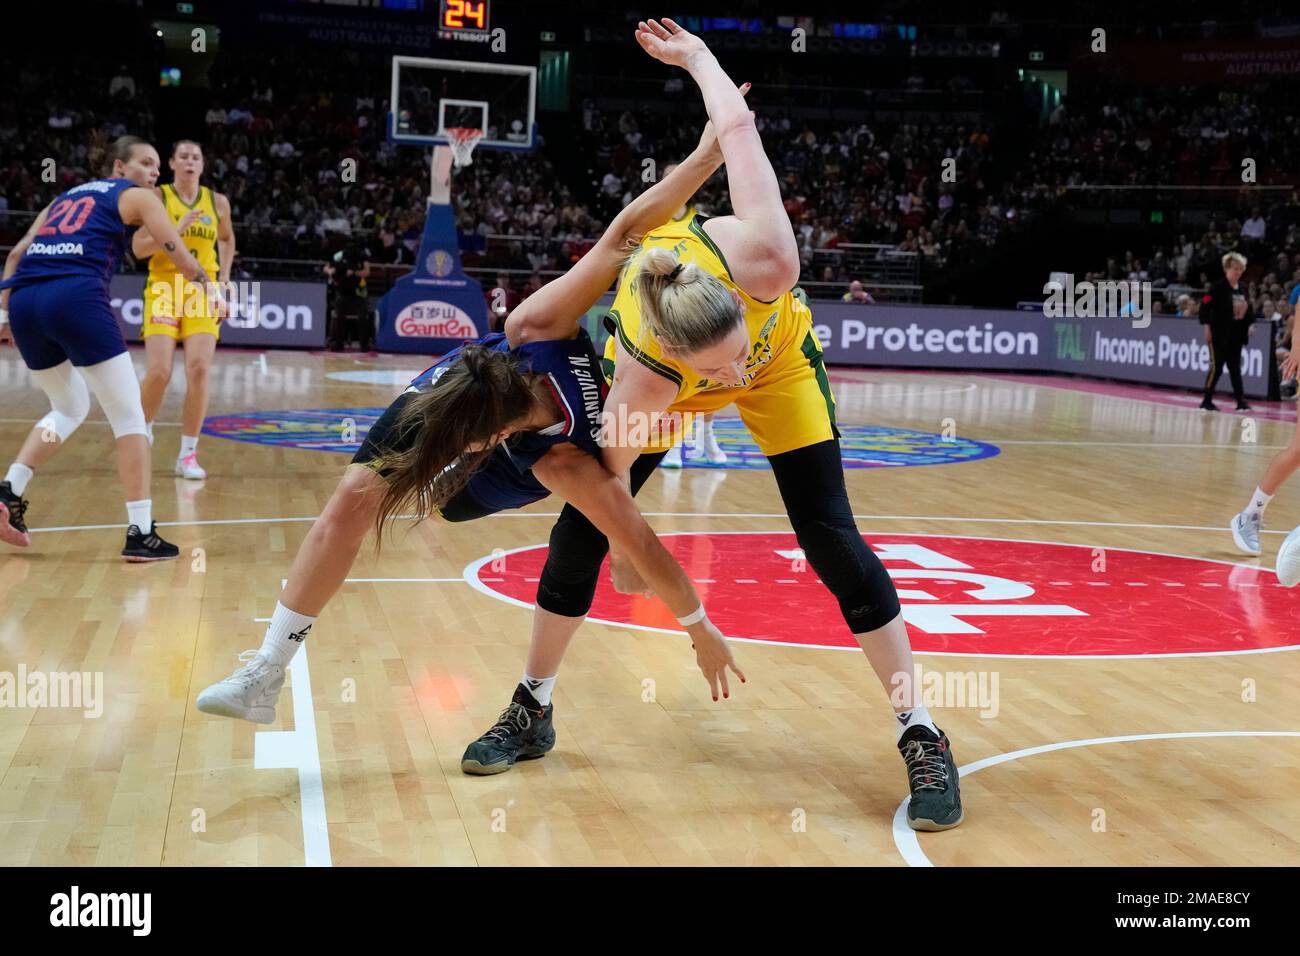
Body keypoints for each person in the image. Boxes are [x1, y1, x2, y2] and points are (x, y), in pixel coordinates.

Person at [467, 20, 963, 833]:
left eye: (732, 350)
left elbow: (736, 130)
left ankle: (920, 729)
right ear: (673, 352)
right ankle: (533, 705)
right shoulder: (646, 375)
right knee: (579, 535)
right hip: (670, 392)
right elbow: (607, 483)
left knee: (833, 540)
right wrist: (633, 553)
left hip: (787, 364)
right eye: (717, 366)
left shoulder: (769, 262)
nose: (729, 375)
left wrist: (698, 57)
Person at [194, 118, 746, 755]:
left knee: (457, 507)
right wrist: (706, 153)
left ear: (501, 434)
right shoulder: (534, 323)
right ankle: (266, 670)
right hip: (456, 386)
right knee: (353, 499)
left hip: (503, 466)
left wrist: (699, 627)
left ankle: (454, 495)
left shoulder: (562, 462)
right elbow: (623, 235)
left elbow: (645, 545)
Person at [0, 135, 216, 560]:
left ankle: (9, 491)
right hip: (75, 296)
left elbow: (17, 254)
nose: (154, 173)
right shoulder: (136, 196)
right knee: (131, 416)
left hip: (26, 299)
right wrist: (212, 290)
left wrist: (4, 315)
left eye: (157, 166)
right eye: (147, 164)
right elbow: (176, 250)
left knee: (68, 406)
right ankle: (140, 531)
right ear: (120, 168)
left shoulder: (64, 197)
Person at [132, 140, 235, 480]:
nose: (190, 162)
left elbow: (226, 238)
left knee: (199, 369)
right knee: (159, 372)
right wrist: (176, 229)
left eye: (196, 156)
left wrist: (225, 279)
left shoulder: (217, 201)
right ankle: (142, 430)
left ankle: (187, 455)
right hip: (163, 287)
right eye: (184, 157)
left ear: (202, 165)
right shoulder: (158, 198)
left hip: (201, 290)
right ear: (172, 164)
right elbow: (139, 248)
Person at [654, 160, 728, 469]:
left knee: (710, 378)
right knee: (671, 382)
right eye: (672, 178)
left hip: (695, 309)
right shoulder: (651, 219)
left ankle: (707, 438)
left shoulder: (705, 223)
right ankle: (672, 444)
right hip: (660, 311)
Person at [1200, 251, 1253, 412]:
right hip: (1219, 335)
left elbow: (1249, 310)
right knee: (1216, 368)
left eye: (1240, 269)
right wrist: (1206, 326)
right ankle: (1206, 401)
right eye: (1235, 268)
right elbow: (1204, 306)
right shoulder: (1216, 288)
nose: (1238, 272)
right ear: (1226, 269)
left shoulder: (1243, 288)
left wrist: (1251, 324)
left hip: (1236, 336)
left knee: (1235, 369)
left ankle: (1240, 402)